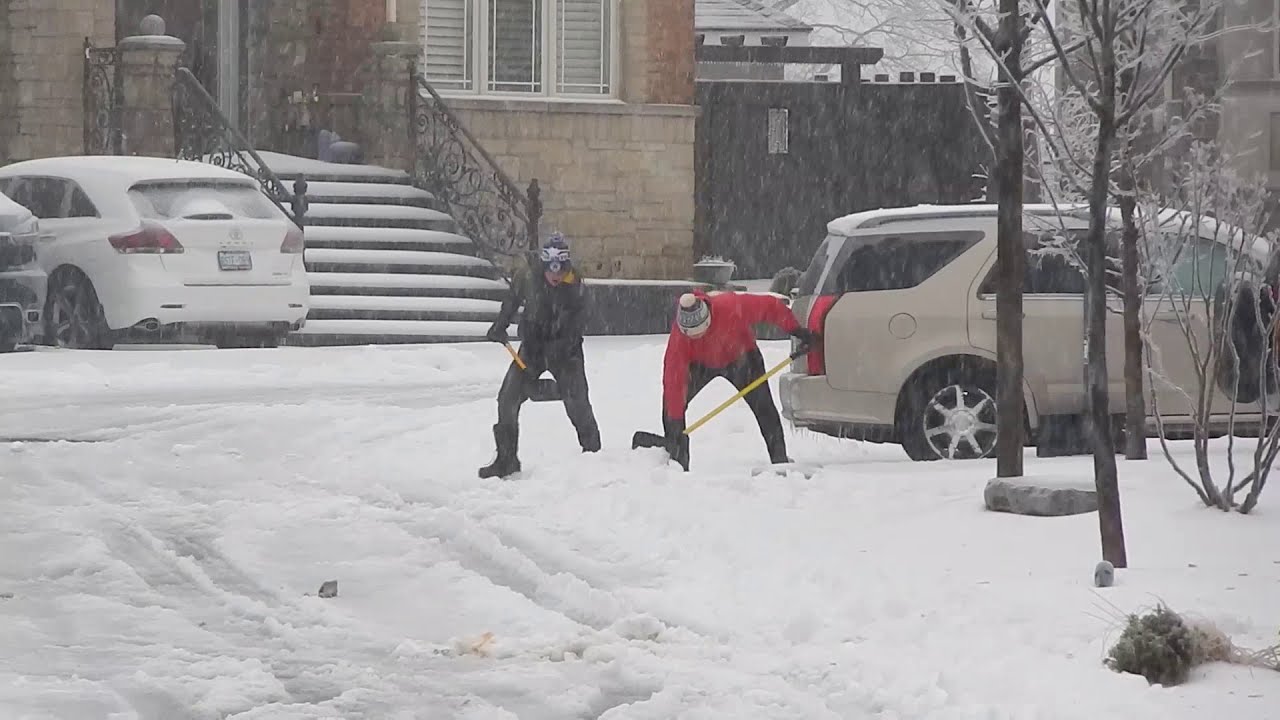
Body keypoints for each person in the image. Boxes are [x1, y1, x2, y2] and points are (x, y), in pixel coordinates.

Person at [479, 233, 601, 478]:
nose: (555, 276)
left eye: (560, 271)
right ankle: (507, 459)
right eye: (551, 271)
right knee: (507, 399)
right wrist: (500, 325)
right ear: (543, 267)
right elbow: (512, 300)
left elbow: (579, 323)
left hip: (567, 353)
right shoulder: (527, 277)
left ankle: (595, 457)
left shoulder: (576, 286)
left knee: (577, 403)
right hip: (532, 349)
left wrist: (560, 347)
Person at [660, 290, 819, 471]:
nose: (697, 337)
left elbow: (770, 307)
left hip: (742, 358)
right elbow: (673, 382)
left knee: (764, 408)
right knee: (670, 409)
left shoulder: (730, 306)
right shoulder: (679, 340)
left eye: (701, 332)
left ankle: (780, 461)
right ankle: (677, 462)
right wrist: (675, 421)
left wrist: (796, 330)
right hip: (700, 364)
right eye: (693, 335)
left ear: (708, 319)